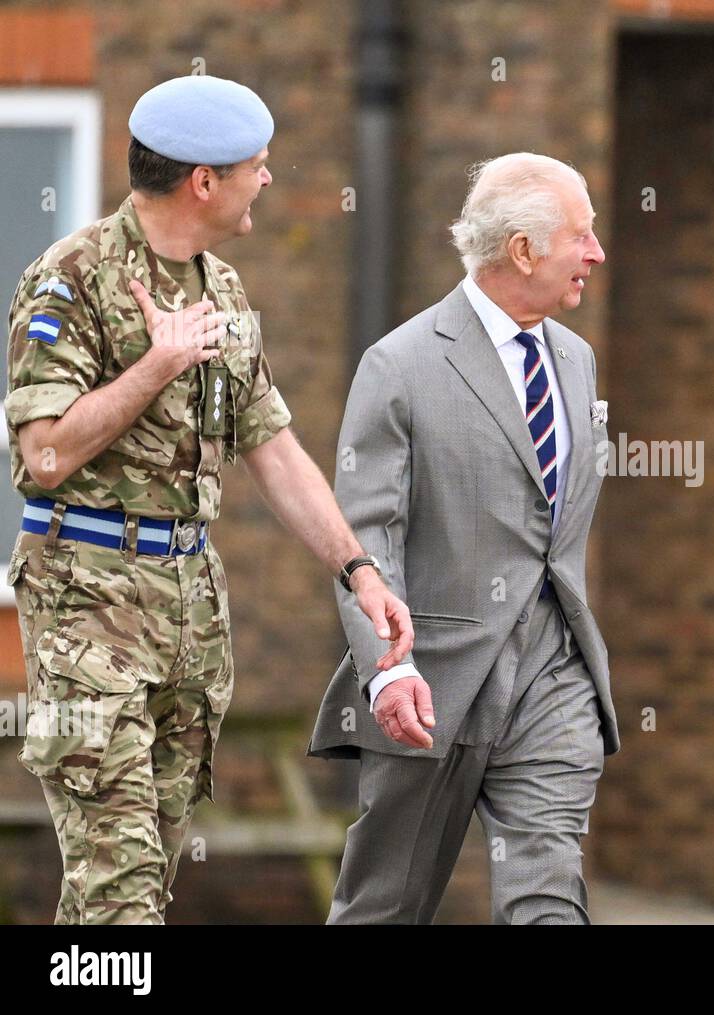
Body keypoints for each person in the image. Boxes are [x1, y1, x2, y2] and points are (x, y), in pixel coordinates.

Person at [4, 74, 413, 924]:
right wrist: (155, 366)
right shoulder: (71, 279)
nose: (267, 180)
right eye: (255, 167)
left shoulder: (222, 291)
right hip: (86, 613)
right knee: (119, 892)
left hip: (189, 618)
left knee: (133, 888)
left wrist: (360, 571)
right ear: (203, 181)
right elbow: (43, 453)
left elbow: (271, 448)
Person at [309, 152, 618, 924]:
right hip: (433, 686)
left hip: (555, 675)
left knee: (549, 893)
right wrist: (388, 670)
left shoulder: (576, 362)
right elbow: (366, 535)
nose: (596, 253)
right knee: (386, 906)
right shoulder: (401, 365)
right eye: (581, 236)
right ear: (523, 249)